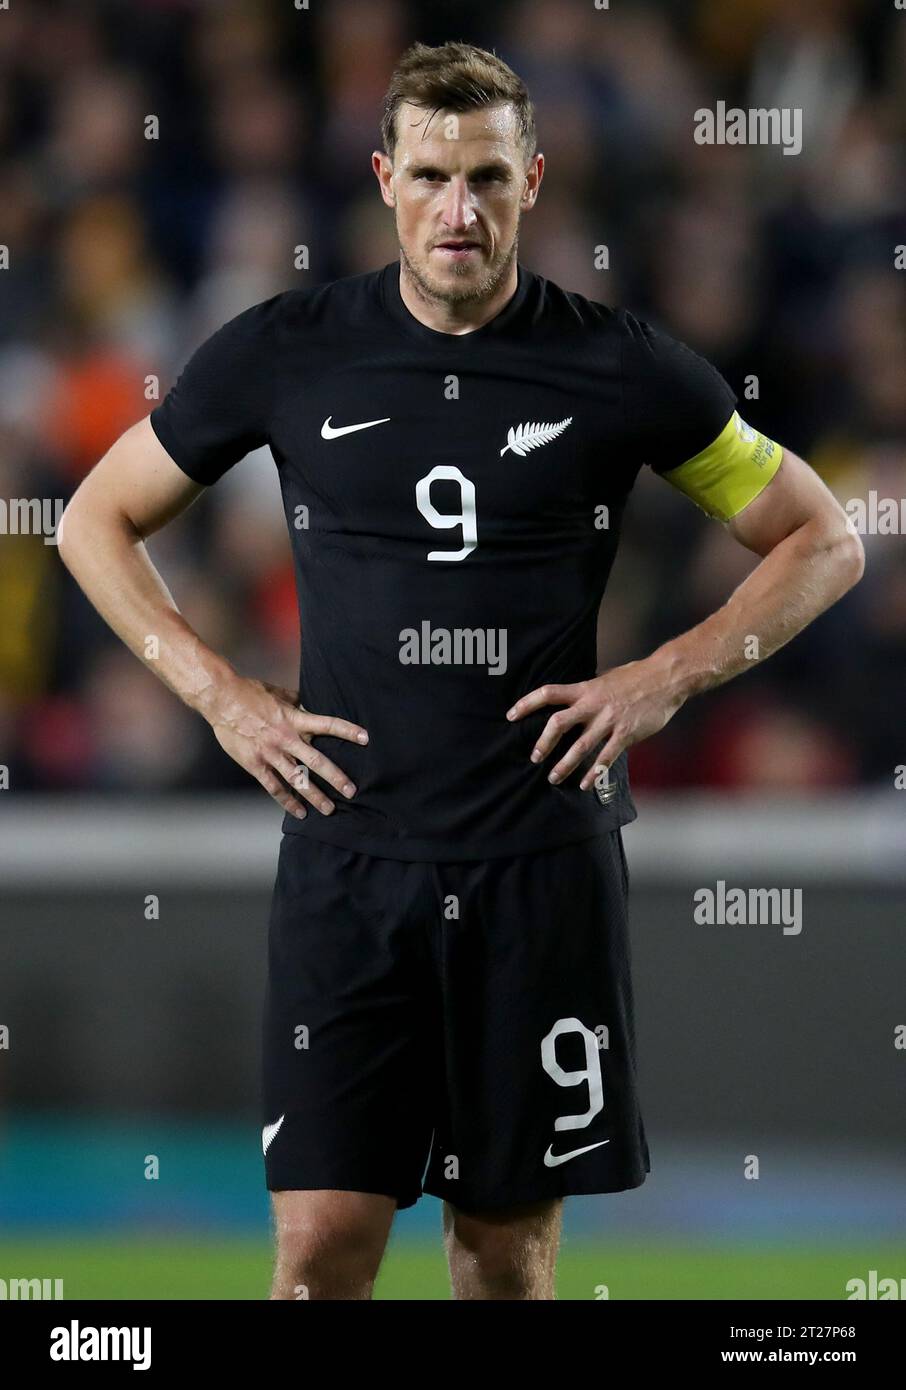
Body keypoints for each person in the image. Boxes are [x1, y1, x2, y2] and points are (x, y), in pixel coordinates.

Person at [58, 41, 864, 1300]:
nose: (460, 209)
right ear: (384, 177)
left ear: (535, 180)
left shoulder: (619, 364)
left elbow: (824, 539)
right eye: (432, 175)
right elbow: (91, 518)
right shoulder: (286, 349)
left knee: (503, 1263)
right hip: (349, 863)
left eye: (488, 176)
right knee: (320, 1249)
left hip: (535, 867)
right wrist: (216, 692)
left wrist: (666, 674)